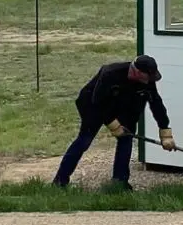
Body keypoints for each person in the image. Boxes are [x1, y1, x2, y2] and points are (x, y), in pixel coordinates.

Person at [51, 54, 175, 190]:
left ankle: (119, 183)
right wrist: (113, 125)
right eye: (148, 76)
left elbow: (156, 104)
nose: (151, 80)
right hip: (93, 104)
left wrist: (165, 133)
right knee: (84, 140)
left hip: (122, 105)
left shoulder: (148, 81)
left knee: (126, 138)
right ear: (137, 72)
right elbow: (98, 101)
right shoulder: (110, 73)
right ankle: (60, 181)